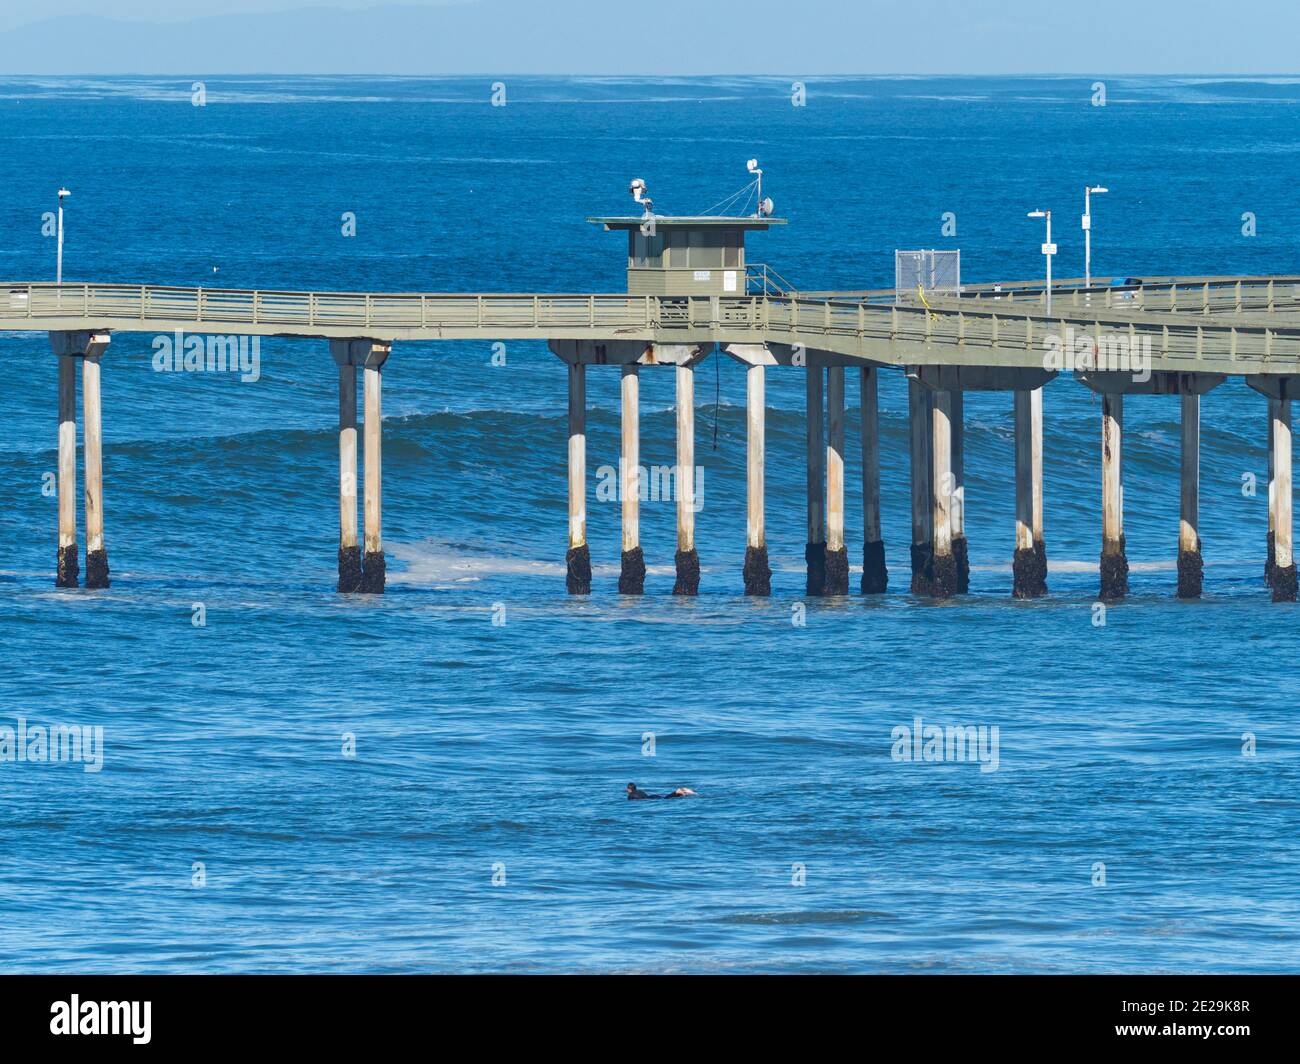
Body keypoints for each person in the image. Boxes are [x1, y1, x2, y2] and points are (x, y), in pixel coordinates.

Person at [626, 783, 696, 800]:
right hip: (652, 796)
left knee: (666, 799)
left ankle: (677, 792)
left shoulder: (630, 796)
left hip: (650, 799)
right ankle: (680, 793)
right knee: (665, 798)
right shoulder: (640, 791)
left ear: (629, 789)